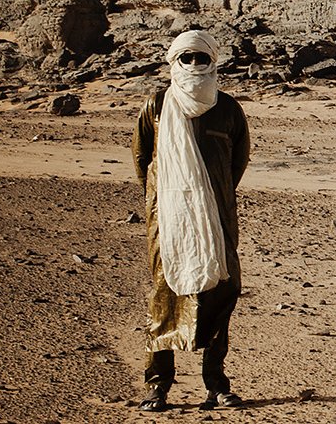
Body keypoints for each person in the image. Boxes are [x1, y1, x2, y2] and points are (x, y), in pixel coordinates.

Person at [132, 30, 249, 412]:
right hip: (167, 219)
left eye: (202, 58)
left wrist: (211, 196)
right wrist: (167, 201)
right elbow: (143, 160)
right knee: (165, 295)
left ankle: (216, 384)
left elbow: (238, 163)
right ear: (173, 62)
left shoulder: (229, 109)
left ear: (214, 61)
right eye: (187, 58)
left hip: (216, 218)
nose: (195, 65)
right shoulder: (155, 106)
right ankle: (158, 385)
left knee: (221, 292)